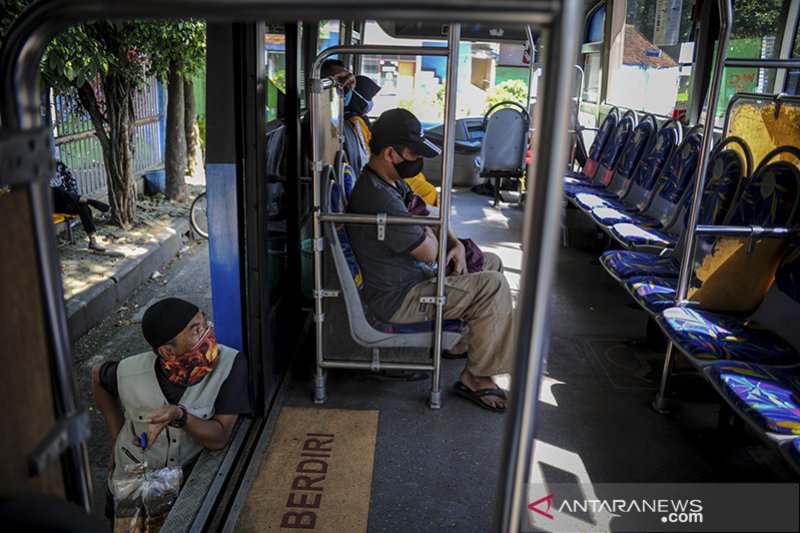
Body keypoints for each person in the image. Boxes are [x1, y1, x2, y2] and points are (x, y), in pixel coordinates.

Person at [346, 108, 513, 412]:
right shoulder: (378, 197)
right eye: (413, 152)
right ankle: (476, 378)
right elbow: (429, 251)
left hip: (414, 277)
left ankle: (463, 344)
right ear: (390, 154)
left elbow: (432, 212)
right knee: (492, 286)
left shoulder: (392, 181)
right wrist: (437, 238)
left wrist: (456, 244)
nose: (418, 160)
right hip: (398, 298)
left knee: (490, 263)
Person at [92, 297, 251, 517]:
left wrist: (179, 415)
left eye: (205, 324)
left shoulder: (230, 365)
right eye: (196, 331)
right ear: (167, 352)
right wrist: (116, 437)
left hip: (185, 491)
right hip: (130, 486)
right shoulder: (129, 371)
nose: (208, 334)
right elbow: (97, 377)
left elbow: (219, 437)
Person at [343, 75, 441, 207]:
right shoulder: (383, 200)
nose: (371, 102)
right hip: (381, 165)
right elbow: (366, 150)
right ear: (389, 153)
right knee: (429, 191)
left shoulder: (399, 185)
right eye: (413, 153)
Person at [50, 160, 109, 251]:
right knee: (54, 190)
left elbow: (70, 183)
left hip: (65, 201)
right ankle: (91, 201)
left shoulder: (59, 166)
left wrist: (73, 198)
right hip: (48, 205)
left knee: (83, 207)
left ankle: (92, 241)